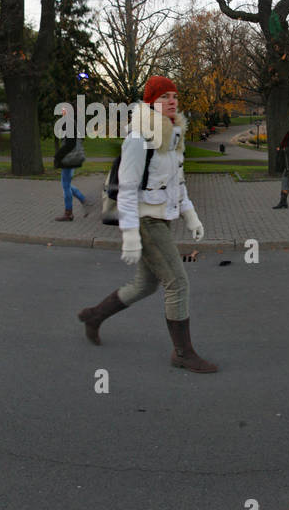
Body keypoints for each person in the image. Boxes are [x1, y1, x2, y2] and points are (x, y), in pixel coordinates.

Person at [75, 76, 218, 372]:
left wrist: (191, 216)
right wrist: (129, 236)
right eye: (164, 96)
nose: (172, 100)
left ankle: (94, 316)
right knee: (177, 282)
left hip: (161, 220)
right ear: (151, 102)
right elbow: (126, 190)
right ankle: (182, 353)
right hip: (144, 221)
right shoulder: (139, 138)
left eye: (174, 96)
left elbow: (178, 184)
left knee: (145, 284)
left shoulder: (172, 138)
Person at [54, 117, 90, 222]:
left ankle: (68, 213)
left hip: (69, 159)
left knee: (66, 186)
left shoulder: (69, 123)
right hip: (72, 158)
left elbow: (69, 144)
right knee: (66, 184)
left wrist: (58, 156)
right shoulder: (76, 123)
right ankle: (85, 202)